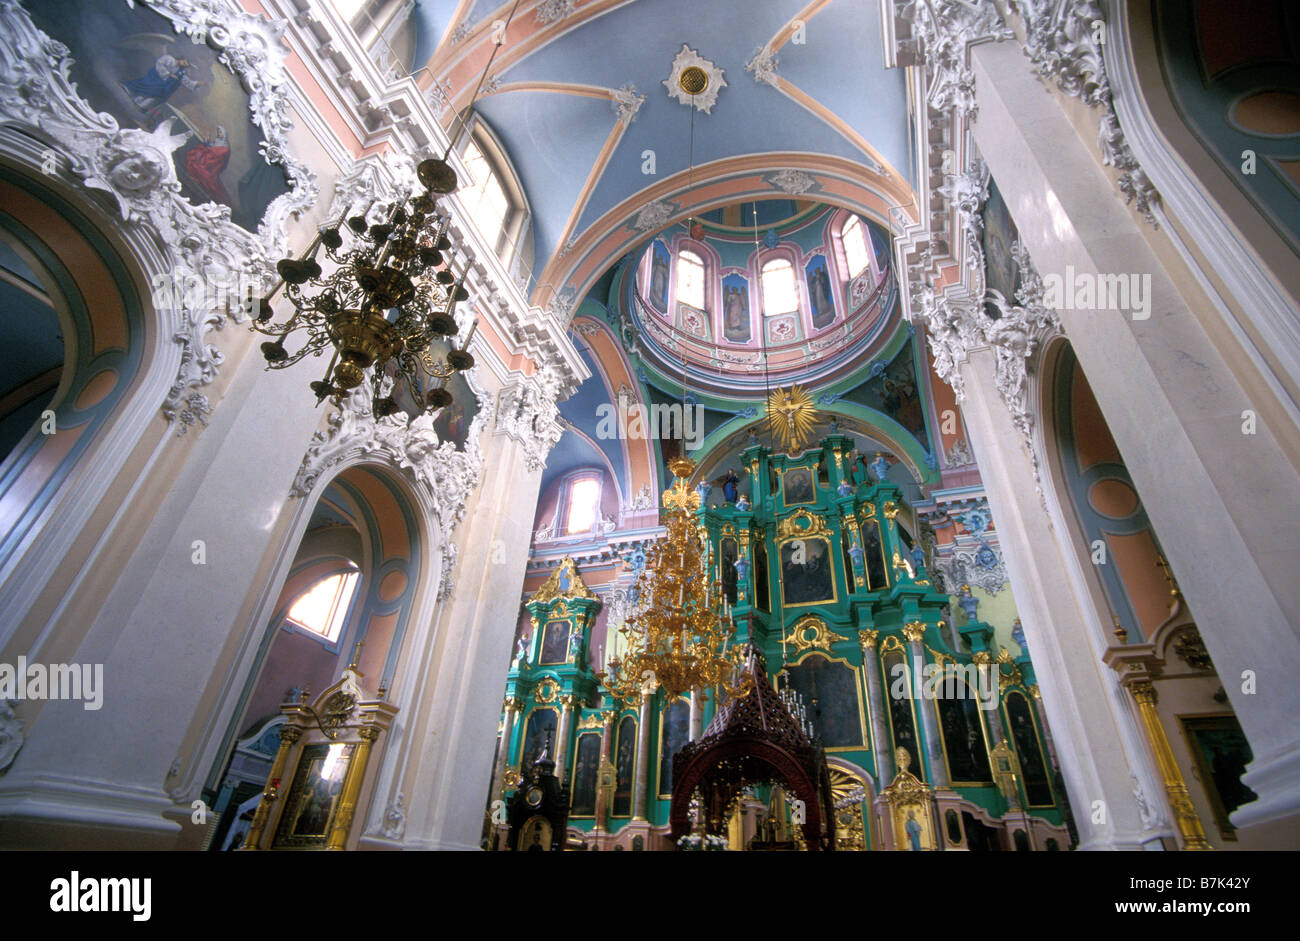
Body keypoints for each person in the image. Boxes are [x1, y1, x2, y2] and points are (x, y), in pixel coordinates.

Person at [123, 54, 201, 113]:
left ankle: (139, 102)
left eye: (187, 64)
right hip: (155, 74)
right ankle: (129, 89)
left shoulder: (179, 69)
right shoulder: (168, 58)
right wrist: (168, 74)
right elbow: (159, 63)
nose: (185, 64)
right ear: (181, 59)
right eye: (185, 62)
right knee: (151, 86)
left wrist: (196, 84)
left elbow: (185, 80)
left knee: (159, 92)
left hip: (161, 80)